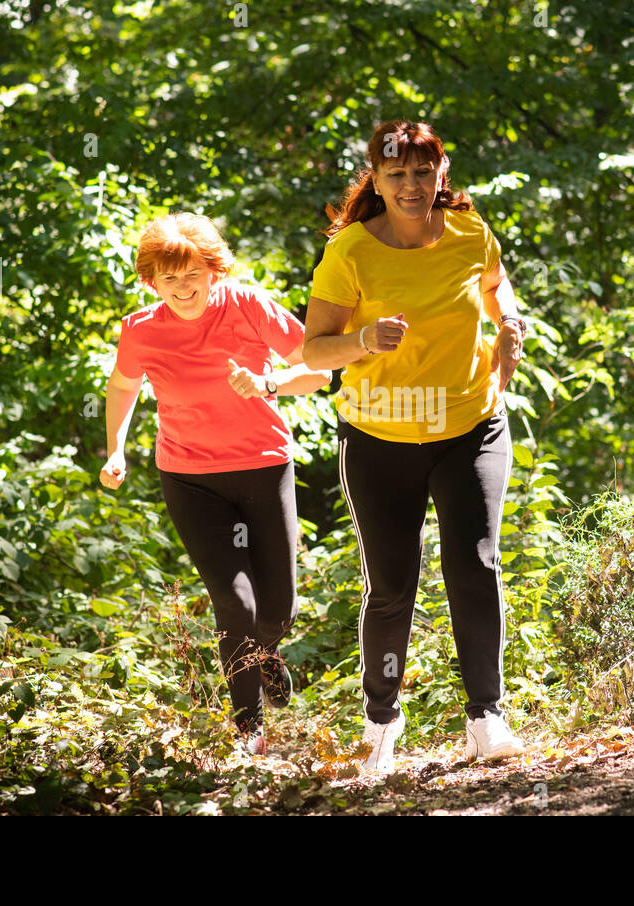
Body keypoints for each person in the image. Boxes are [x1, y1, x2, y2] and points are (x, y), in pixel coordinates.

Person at [303, 120, 529, 771]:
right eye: (396, 173)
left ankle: (486, 716)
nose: (410, 185)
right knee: (393, 584)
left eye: (422, 172)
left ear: (442, 173)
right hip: (379, 436)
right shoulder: (350, 252)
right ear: (375, 178)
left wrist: (508, 319)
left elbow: (495, 286)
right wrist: (363, 342)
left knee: (474, 564)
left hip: (470, 427)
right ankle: (380, 723)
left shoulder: (470, 234)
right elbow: (312, 349)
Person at [100, 212, 331, 756]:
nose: (182, 288)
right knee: (235, 603)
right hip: (189, 477)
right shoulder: (140, 330)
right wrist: (114, 449)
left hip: (264, 465)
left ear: (213, 269)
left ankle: (266, 651)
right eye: (168, 277)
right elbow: (122, 386)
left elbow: (319, 370)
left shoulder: (248, 306)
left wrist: (269, 381)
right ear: (151, 280)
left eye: (191, 274)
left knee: (278, 608)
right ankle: (247, 730)